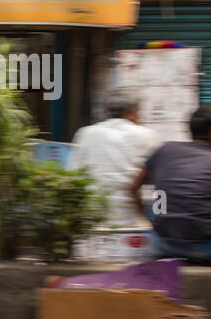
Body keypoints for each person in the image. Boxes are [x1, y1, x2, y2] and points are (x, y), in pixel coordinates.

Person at [130, 104, 211, 262]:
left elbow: (133, 187)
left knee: (159, 201)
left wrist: (149, 221)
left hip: (161, 243)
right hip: (204, 249)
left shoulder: (165, 149)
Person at [69, 90, 161, 228]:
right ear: (130, 112)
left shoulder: (85, 134)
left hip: (92, 220)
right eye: (138, 112)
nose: (139, 116)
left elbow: (73, 176)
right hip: (132, 222)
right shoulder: (147, 135)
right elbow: (159, 180)